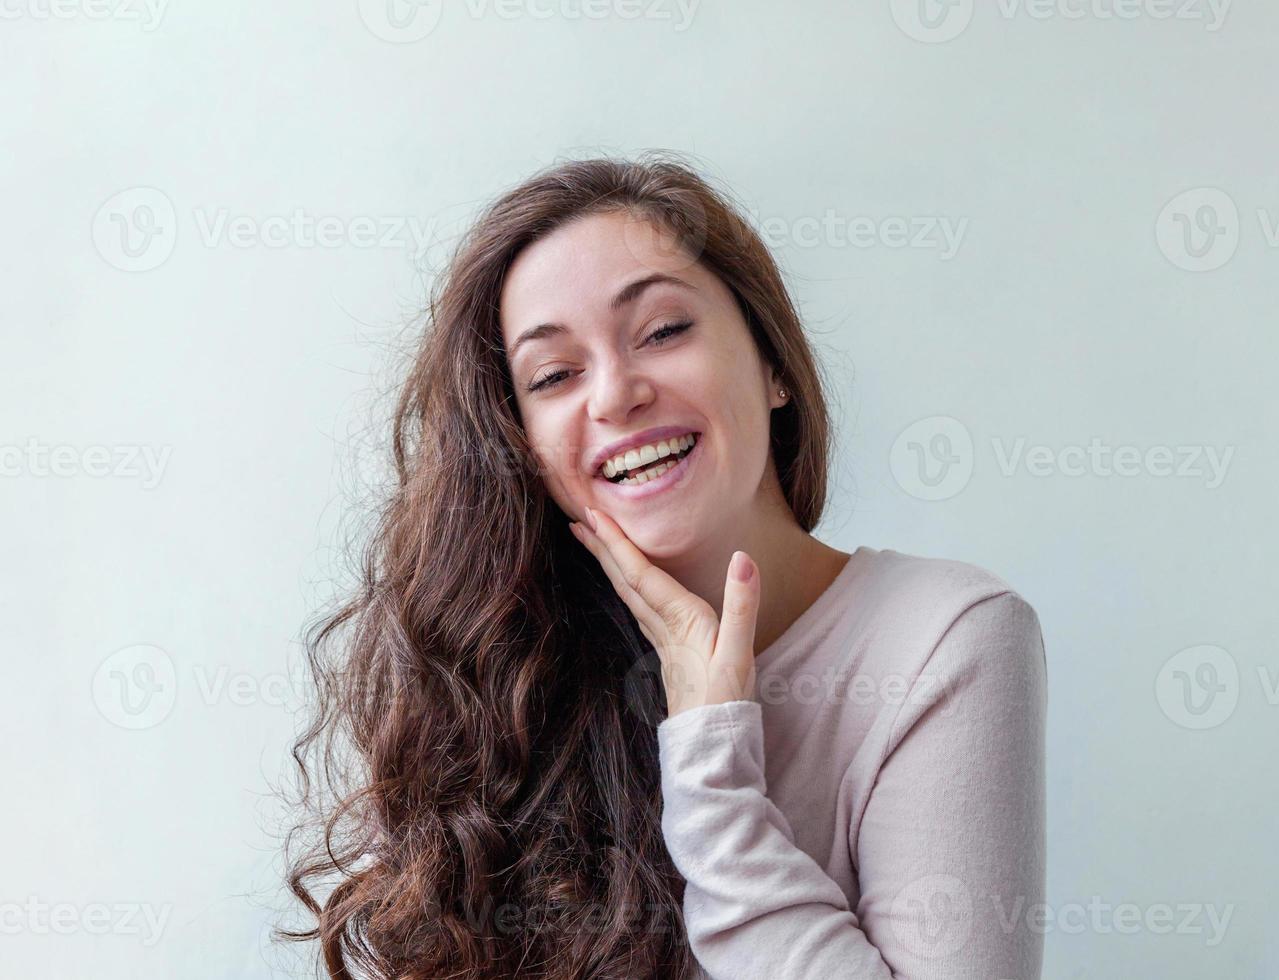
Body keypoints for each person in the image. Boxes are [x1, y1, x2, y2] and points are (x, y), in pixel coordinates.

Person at [283, 151, 1048, 980]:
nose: (614, 395)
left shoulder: (945, 640)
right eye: (554, 375)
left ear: (775, 365)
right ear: (523, 451)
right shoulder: (499, 682)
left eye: (663, 331)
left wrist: (712, 761)